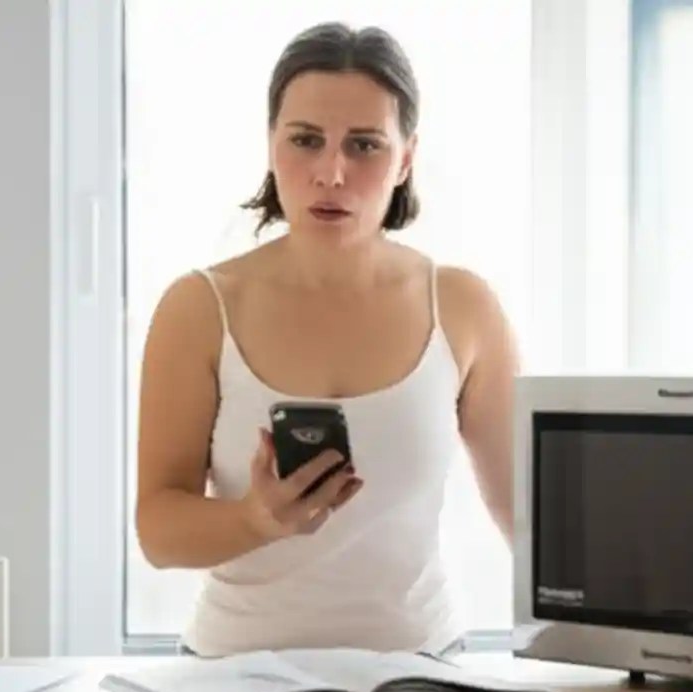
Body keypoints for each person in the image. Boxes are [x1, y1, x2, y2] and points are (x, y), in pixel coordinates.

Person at [134, 21, 518, 658]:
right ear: (270, 144)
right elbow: (157, 529)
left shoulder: (464, 307)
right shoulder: (199, 308)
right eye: (306, 140)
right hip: (237, 677)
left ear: (406, 159)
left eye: (364, 145)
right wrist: (255, 520)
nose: (331, 173)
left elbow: (528, 523)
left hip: (420, 675)